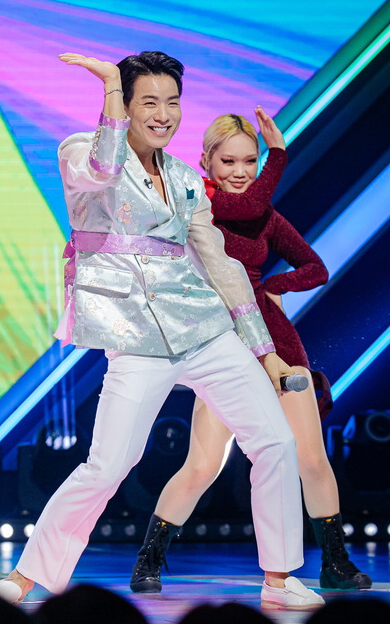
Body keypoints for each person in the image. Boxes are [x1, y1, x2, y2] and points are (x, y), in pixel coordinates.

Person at [0, 52, 323, 608]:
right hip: (134, 337)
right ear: (123, 104)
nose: (163, 114)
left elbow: (221, 265)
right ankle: (25, 579)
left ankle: (279, 578)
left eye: (172, 102)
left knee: (275, 441)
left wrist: (264, 352)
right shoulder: (80, 151)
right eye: (148, 102)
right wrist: (109, 90)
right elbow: (102, 170)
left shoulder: (187, 180)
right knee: (108, 465)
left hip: (205, 328)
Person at [128, 113, 371, 594]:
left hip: (277, 343)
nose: (240, 172)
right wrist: (278, 156)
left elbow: (315, 267)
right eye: (229, 161)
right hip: (224, 344)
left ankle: (335, 563)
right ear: (206, 162)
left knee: (311, 458)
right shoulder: (199, 203)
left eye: (250, 161)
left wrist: (274, 287)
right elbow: (250, 202)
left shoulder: (265, 217)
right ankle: (148, 561)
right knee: (203, 465)